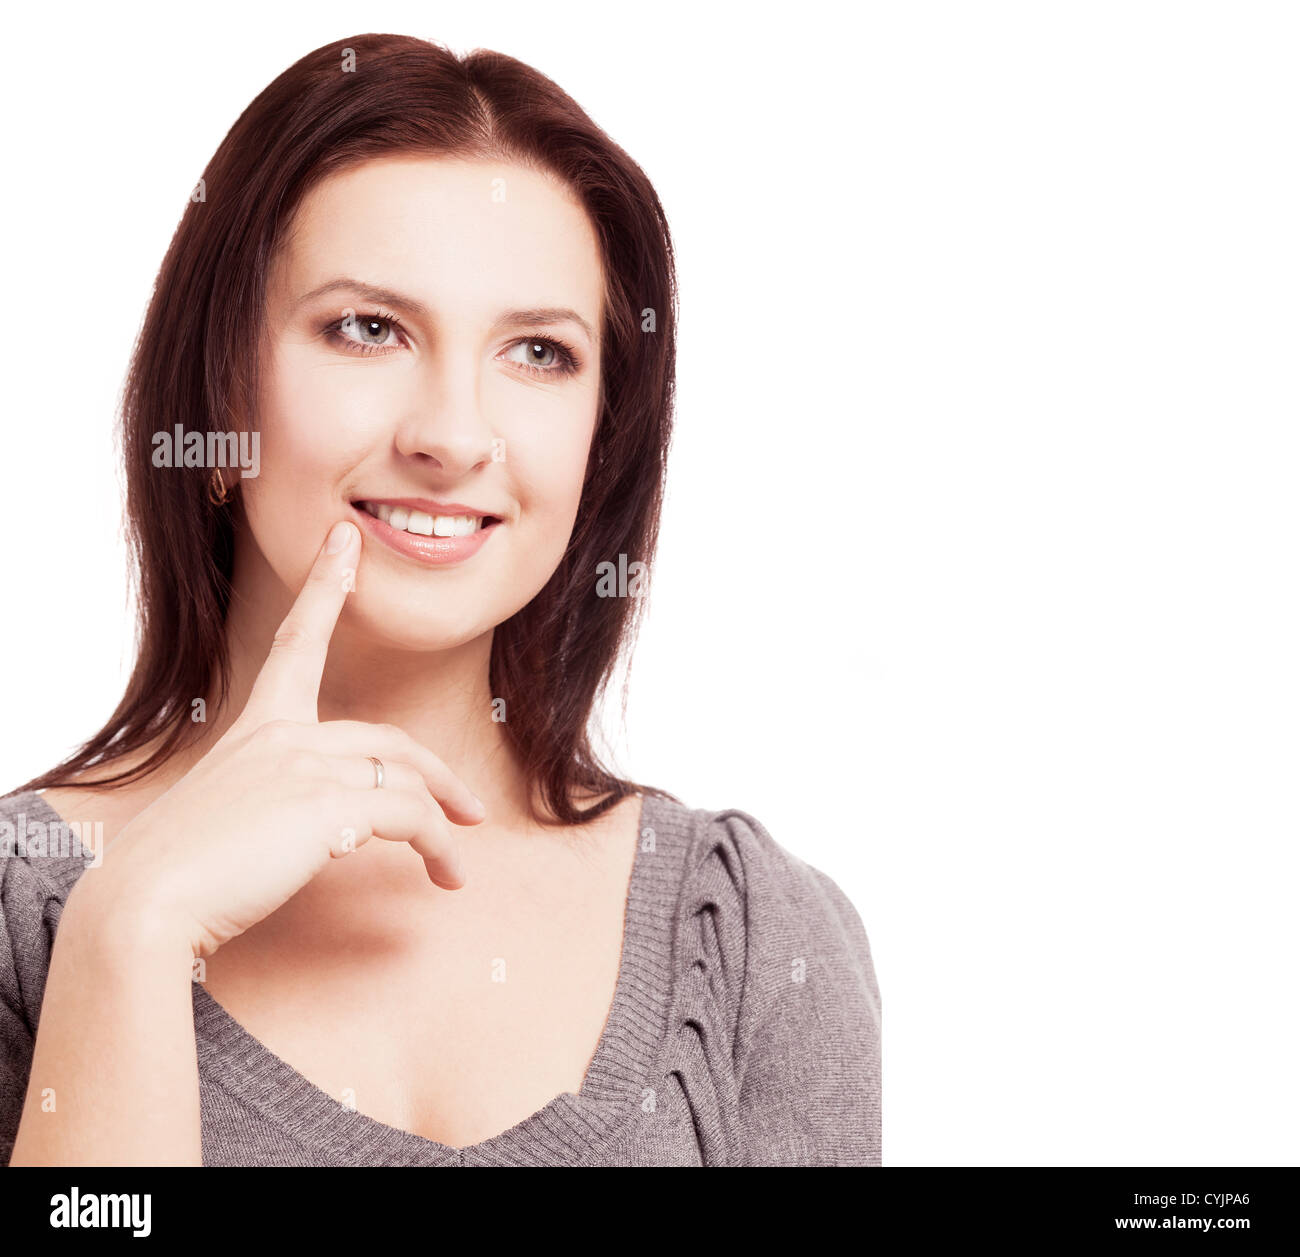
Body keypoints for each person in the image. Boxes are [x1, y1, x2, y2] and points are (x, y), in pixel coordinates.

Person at [0, 32, 881, 1167]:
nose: (454, 437)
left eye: (538, 353)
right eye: (368, 329)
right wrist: (133, 927)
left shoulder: (762, 939)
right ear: (216, 396)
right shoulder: (28, 911)